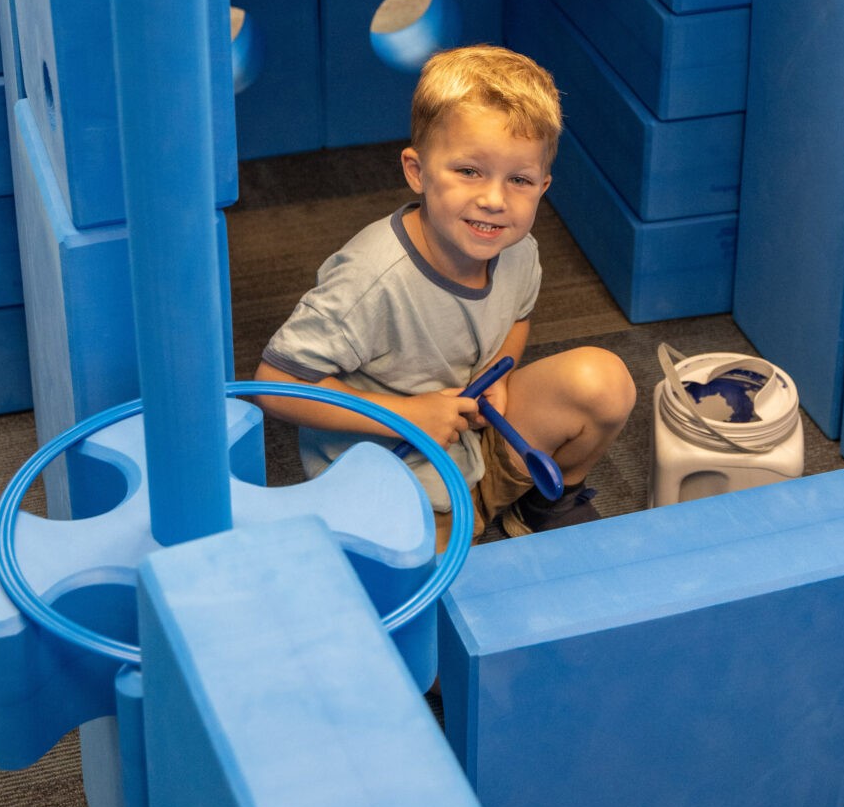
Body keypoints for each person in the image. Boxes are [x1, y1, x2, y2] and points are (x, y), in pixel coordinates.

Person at [254, 44, 636, 548]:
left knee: (604, 381)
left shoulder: (520, 251)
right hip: (394, 466)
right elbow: (274, 383)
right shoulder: (371, 279)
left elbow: (518, 316)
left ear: (543, 186)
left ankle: (542, 504)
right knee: (428, 599)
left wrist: (499, 369)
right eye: (469, 171)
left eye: (518, 180)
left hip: (474, 433)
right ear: (417, 171)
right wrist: (406, 415)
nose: (495, 200)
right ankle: (449, 525)